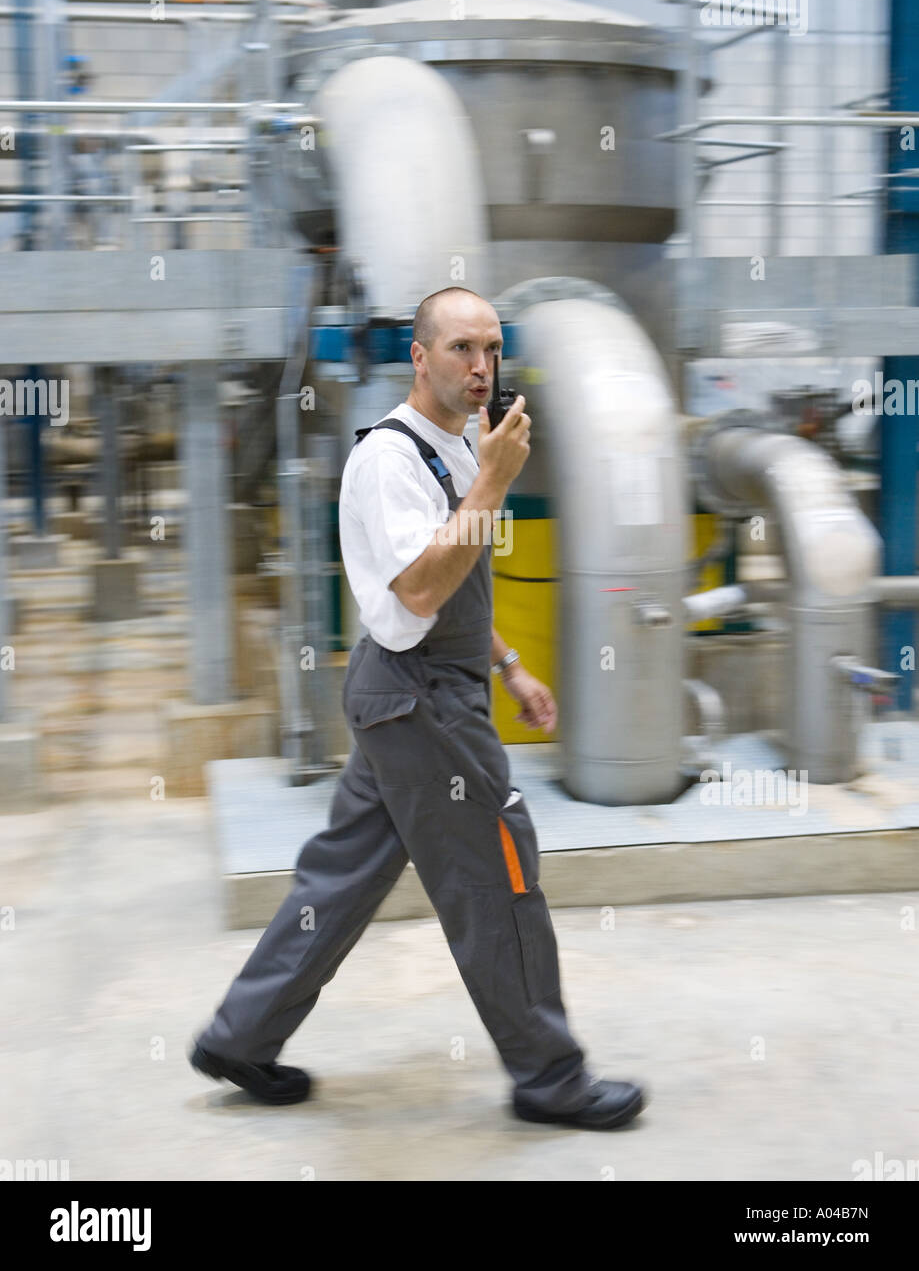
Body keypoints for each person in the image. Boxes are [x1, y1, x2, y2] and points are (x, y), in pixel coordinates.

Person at [190, 286, 644, 1130]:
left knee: (343, 876)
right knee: (499, 873)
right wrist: (494, 487)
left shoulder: (454, 450)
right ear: (420, 356)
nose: (481, 368)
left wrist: (508, 665)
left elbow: (459, 582)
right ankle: (549, 1076)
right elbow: (420, 586)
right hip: (421, 698)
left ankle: (239, 1034)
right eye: (463, 349)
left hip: (413, 689)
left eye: (493, 350)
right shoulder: (390, 462)